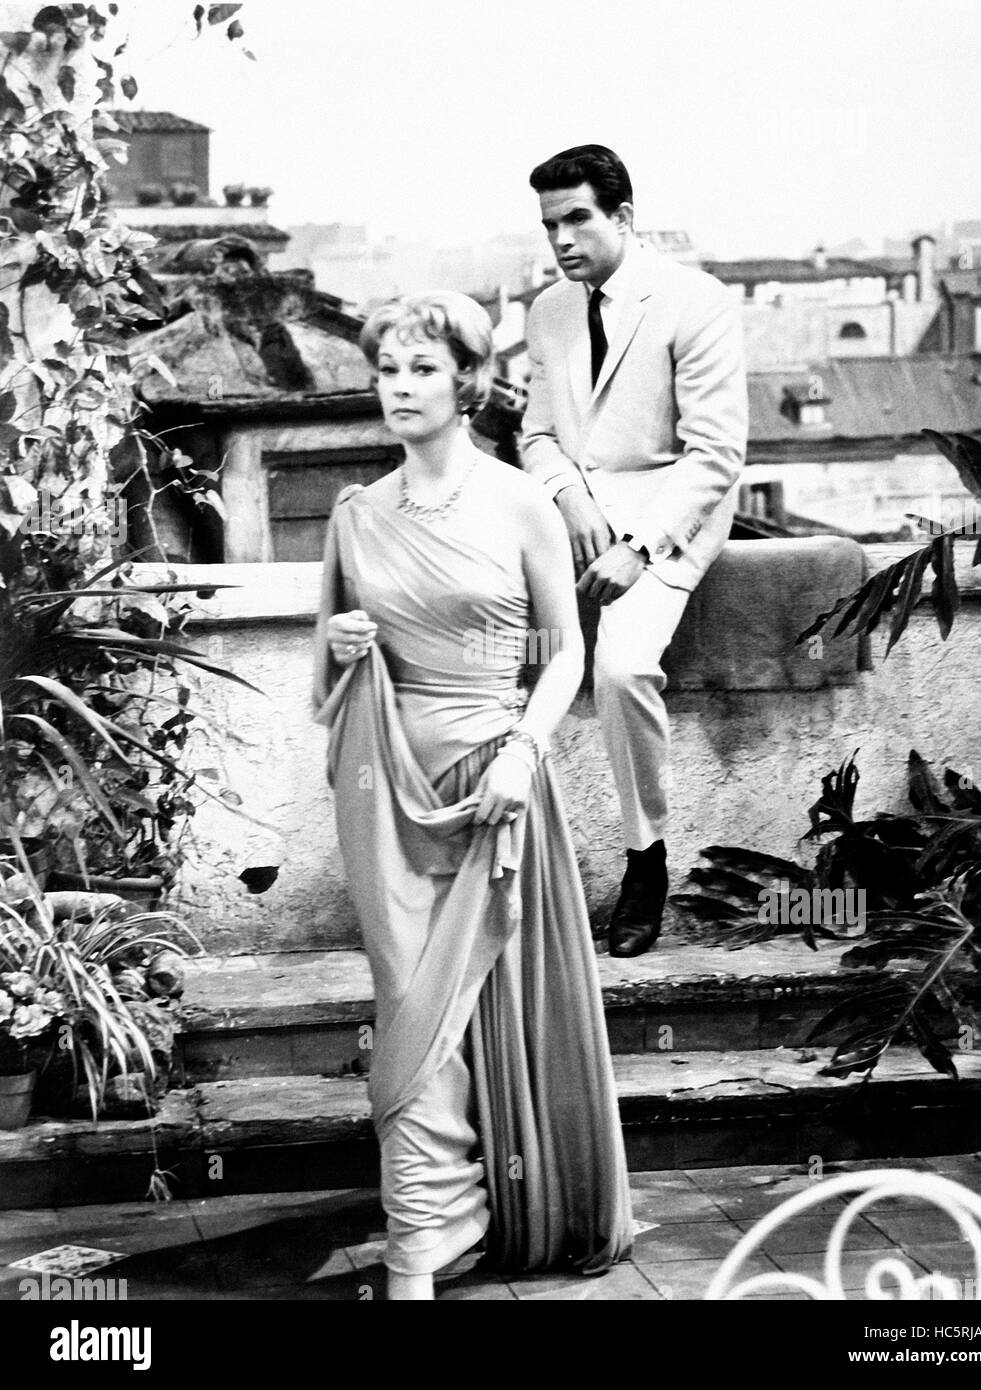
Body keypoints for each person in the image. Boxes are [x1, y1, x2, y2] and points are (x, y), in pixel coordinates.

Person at [312, 291, 634, 1301]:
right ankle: (431, 1225)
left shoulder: (520, 501)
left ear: (466, 382)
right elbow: (324, 677)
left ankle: (439, 1235)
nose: (398, 388)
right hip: (390, 794)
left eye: (419, 369)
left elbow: (568, 648)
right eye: (386, 370)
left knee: (488, 1001)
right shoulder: (355, 515)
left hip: (497, 777)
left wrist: (523, 752)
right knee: (412, 1006)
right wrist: (341, 645)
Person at [521, 144, 749, 959]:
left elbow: (716, 455)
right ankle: (489, 865)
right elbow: (537, 434)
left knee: (618, 669)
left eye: (577, 218)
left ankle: (643, 856)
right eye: (550, 224)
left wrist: (636, 547)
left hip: (669, 516)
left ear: (622, 216)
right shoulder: (547, 310)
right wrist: (571, 498)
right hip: (573, 516)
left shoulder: (695, 301)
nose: (562, 240)